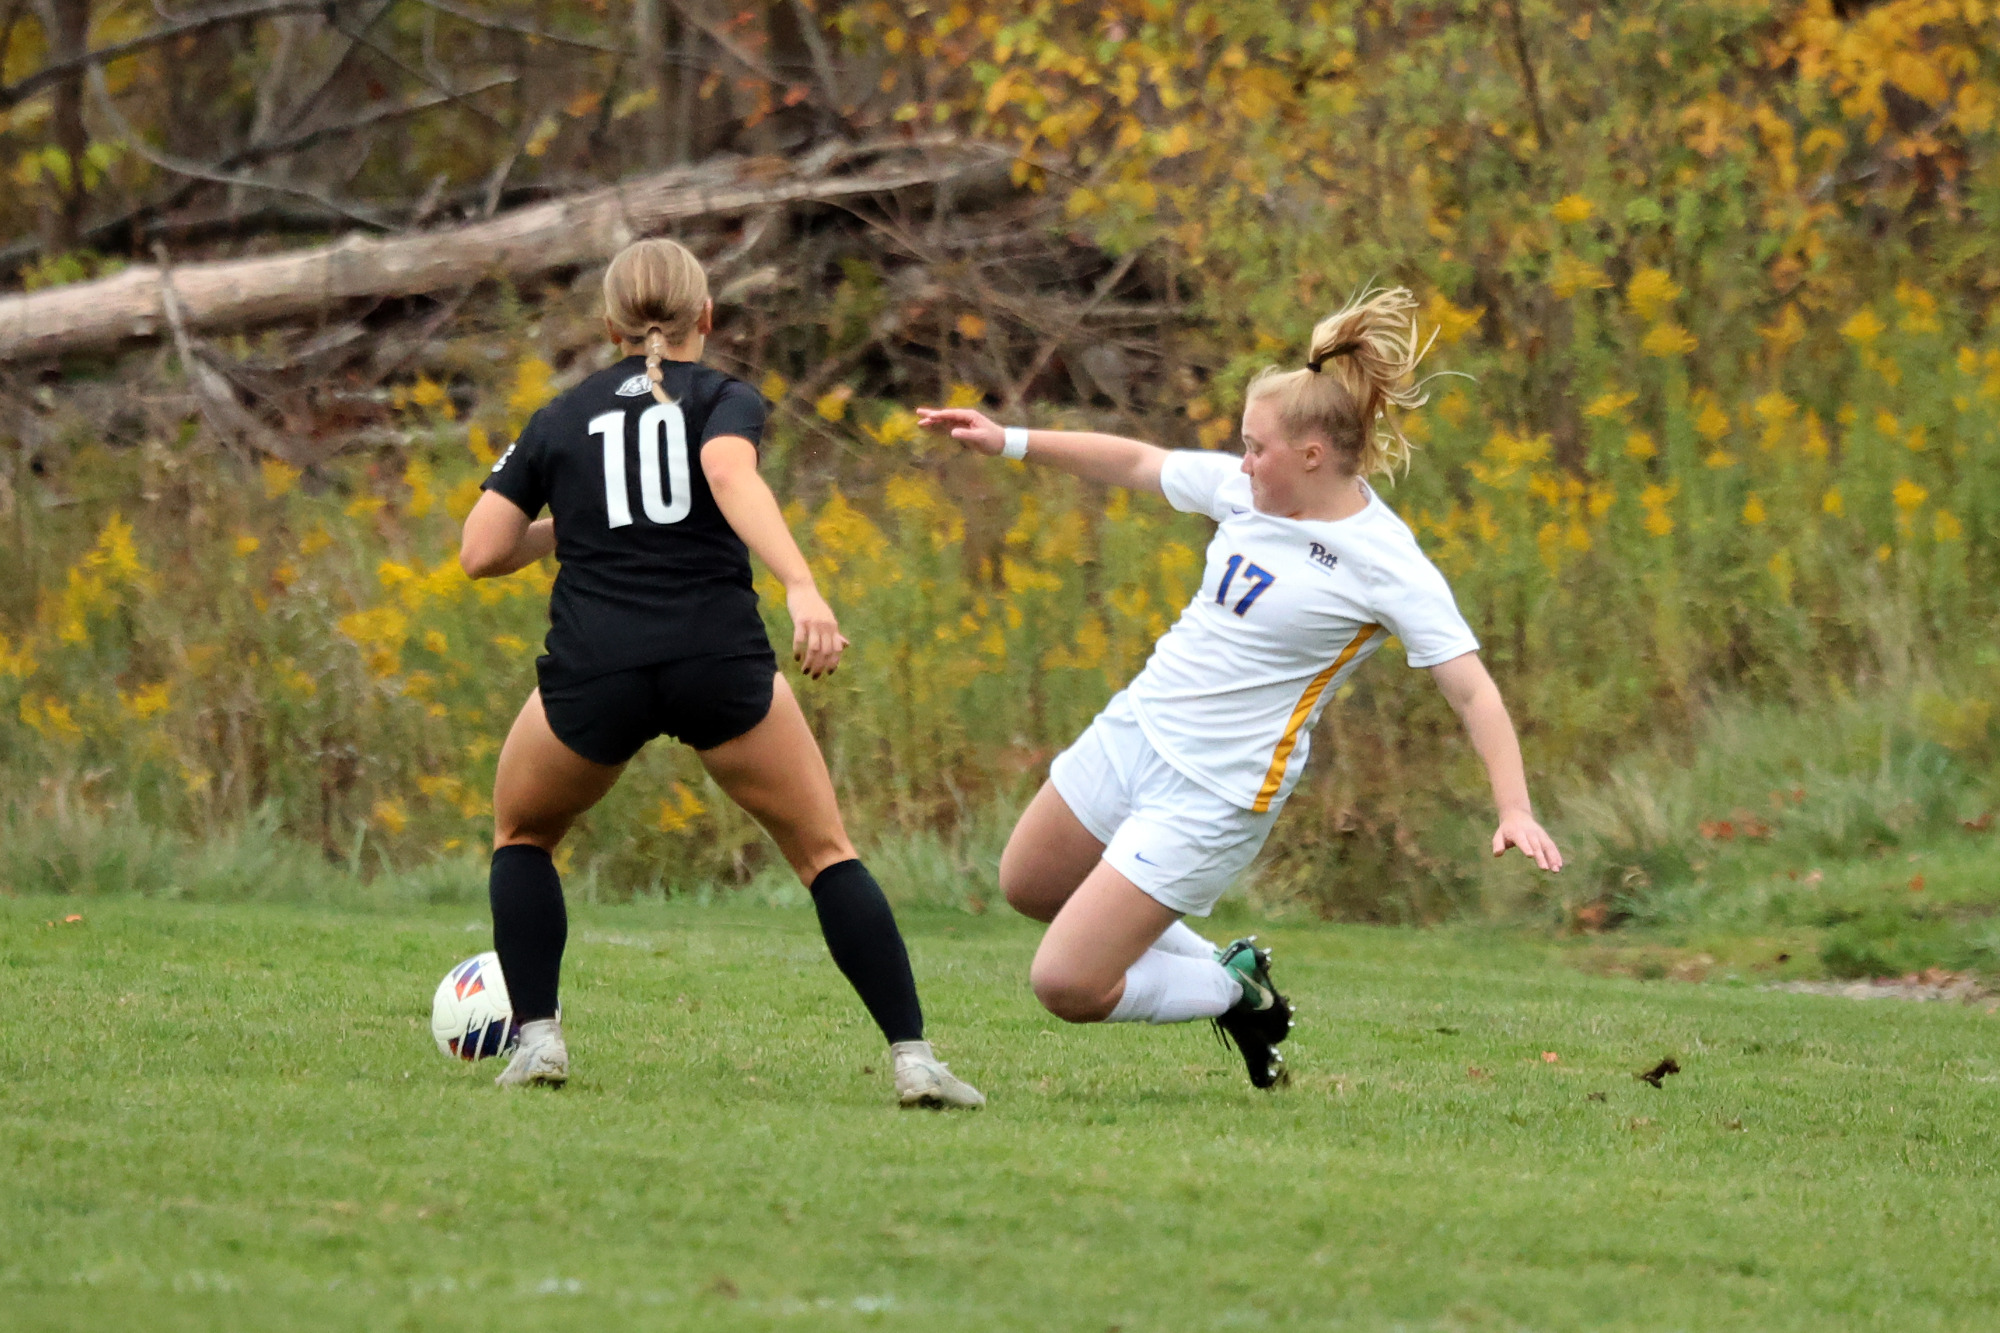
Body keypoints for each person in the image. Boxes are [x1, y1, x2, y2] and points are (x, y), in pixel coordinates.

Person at [915, 287, 1562, 1089]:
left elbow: (1473, 691)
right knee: (1029, 882)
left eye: (1256, 448)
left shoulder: (1385, 560)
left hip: (1215, 791)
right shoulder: (1248, 493)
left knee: (1068, 984)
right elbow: (1137, 461)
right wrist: (1007, 438)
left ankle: (1234, 989)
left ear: (1313, 456)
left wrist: (1514, 806)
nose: (1242, 461)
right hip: (1136, 731)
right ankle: (1234, 963)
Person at [459, 237, 983, 1107]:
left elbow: (482, 550)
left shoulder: (559, 415)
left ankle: (539, 1042)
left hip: (599, 665)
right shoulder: (724, 397)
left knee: (523, 835)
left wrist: (583, 520)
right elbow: (723, 470)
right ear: (708, 317)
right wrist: (801, 583)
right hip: (716, 659)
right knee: (825, 854)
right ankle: (914, 1059)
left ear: (608, 324)